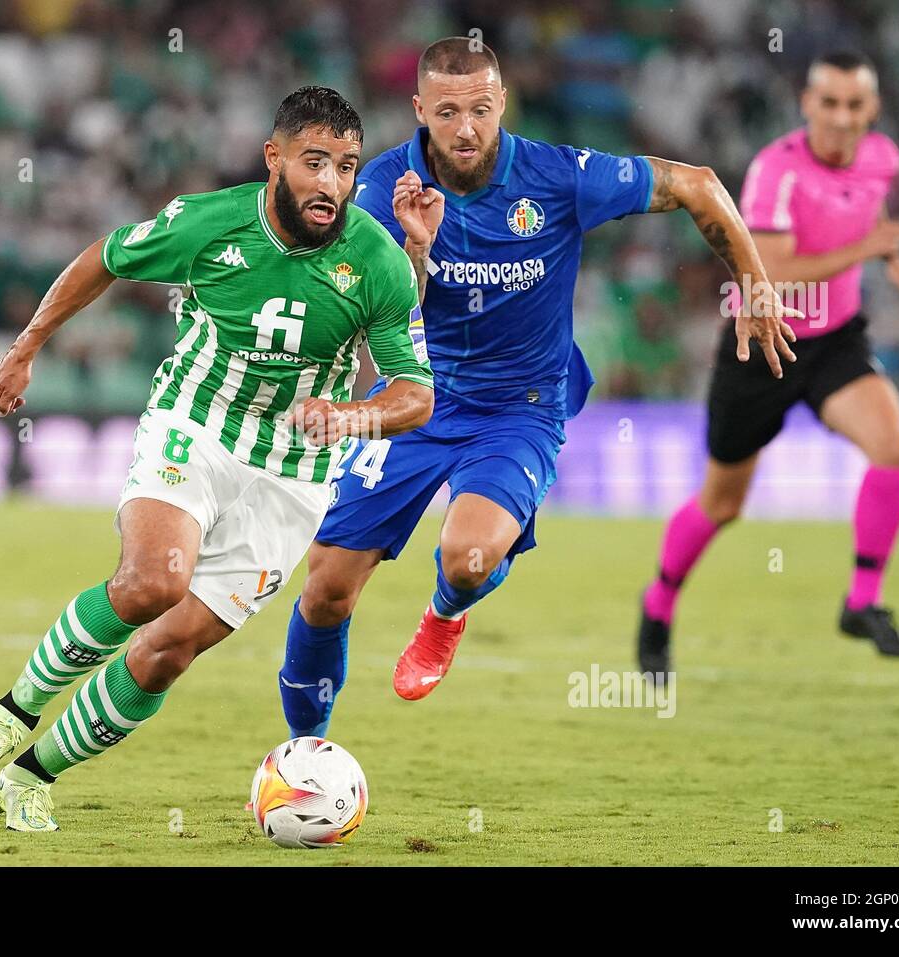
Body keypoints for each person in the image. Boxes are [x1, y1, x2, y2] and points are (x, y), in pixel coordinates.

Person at [278, 37, 799, 738]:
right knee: (327, 587)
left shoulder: (559, 176)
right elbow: (376, 315)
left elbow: (698, 184)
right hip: (415, 400)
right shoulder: (377, 190)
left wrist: (756, 283)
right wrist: (415, 250)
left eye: (482, 110)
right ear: (419, 109)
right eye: (449, 112)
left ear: (503, 104)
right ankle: (305, 749)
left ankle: (446, 614)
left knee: (466, 559)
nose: (467, 128)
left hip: (518, 408)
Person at [0, 86, 435, 831]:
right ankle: (12, 712)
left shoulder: (377, 260)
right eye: (314, 162)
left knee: (170, 649)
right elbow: (105, 258)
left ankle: (31, 775)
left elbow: (415, 394)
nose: (331, 183)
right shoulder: (209, 223)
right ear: (274, 158)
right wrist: (25, 349)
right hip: (197, 422)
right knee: (152, 583)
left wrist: (350, 415)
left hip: (293, 471)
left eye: (346, 166)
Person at [637, 51, 899, 674]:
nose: (843, 118)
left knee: (894, 447)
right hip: (760, 345)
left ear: (871, 111)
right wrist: (868, 249)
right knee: (722, 505)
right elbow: (774, 273)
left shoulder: (883, 158)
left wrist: (898, 269)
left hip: (835, 342)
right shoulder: (777, 170)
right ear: (807, 105)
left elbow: (875, 225)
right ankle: (658, 604)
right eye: (830, 103)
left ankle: (863, 602)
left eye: (855, 105)